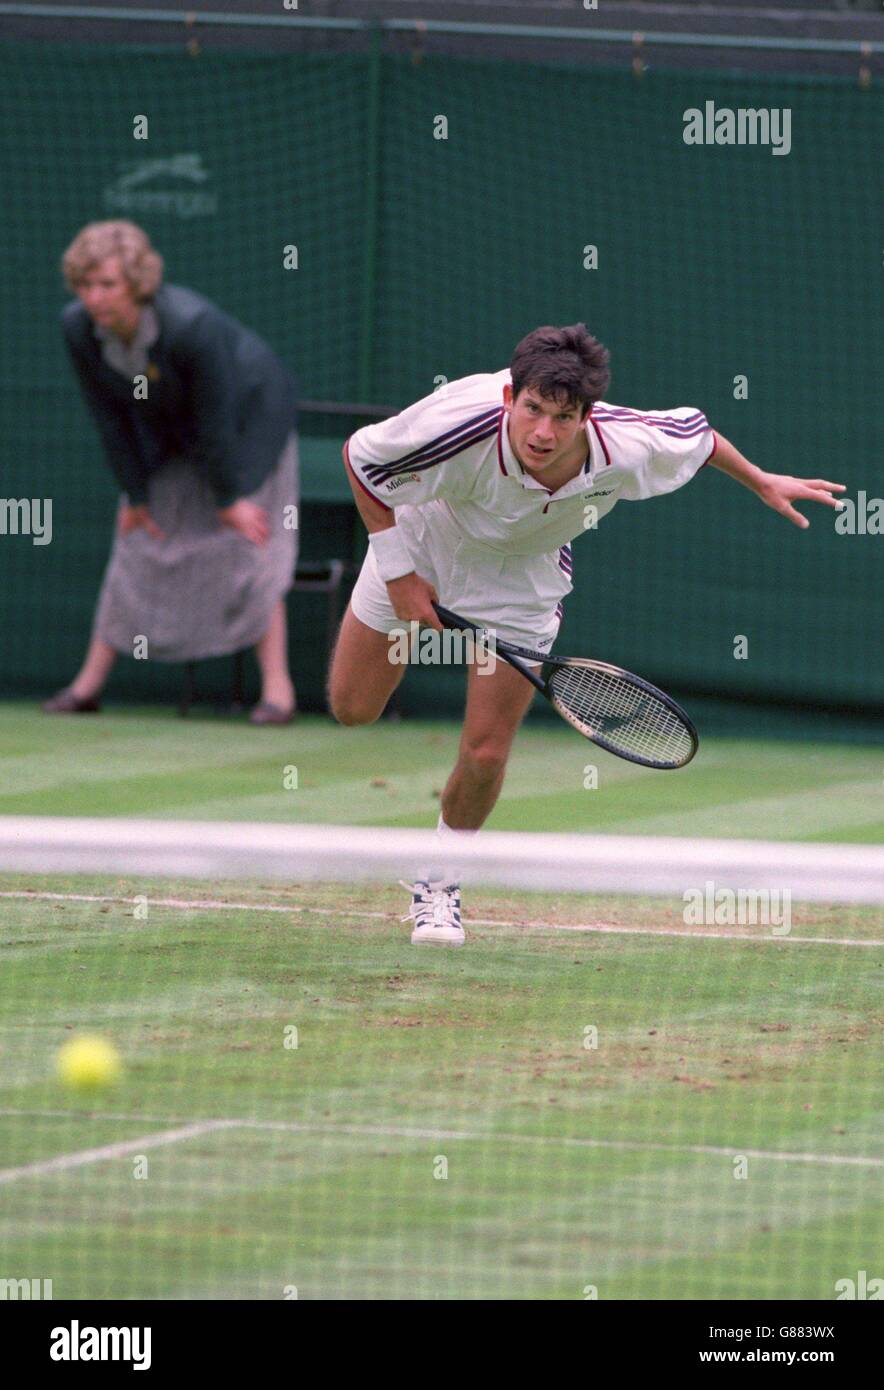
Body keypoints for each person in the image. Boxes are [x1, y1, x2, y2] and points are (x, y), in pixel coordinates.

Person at [328, 323, 845, 946]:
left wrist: (762, 481)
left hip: (525, 578)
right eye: (533, 410)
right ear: (509, 399)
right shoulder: (455, 423)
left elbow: (701, 438)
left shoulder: (624, 444)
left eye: (563, 418)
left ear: (587, 417)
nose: (544, 433)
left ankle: (439, 884)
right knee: (353, 708)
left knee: (488, 750)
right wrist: (401, 575)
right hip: (423, 540)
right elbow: (361, 458)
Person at [45, 220, 299, 724]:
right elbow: (109, 416)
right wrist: (136, 496)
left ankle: (278, 693)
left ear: (138, 283)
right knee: (136, 538)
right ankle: (87, 688)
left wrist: (230, 501)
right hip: (172, 428)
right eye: (85, 285)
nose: (94, 298)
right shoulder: (78, 328)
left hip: (248, 422)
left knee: (250, 542)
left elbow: (216, 418)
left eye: (108, 285)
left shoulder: (191, 326)